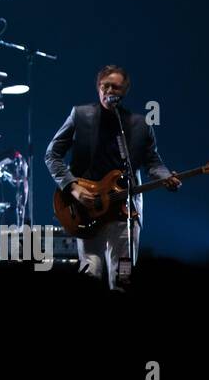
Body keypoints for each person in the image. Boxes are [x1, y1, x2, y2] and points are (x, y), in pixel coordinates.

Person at [44, 64, 180, 288]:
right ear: (98, 88)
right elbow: (52, 154)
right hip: (86, 208)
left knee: (122, 277)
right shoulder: (79, 115)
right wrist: (73, 188)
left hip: (124, 210)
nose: (109, 91)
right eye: (105, 86)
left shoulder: (140, 125)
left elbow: (153, 162)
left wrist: (165, 176)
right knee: (91, 272)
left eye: (115, 87)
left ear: (124, 91)